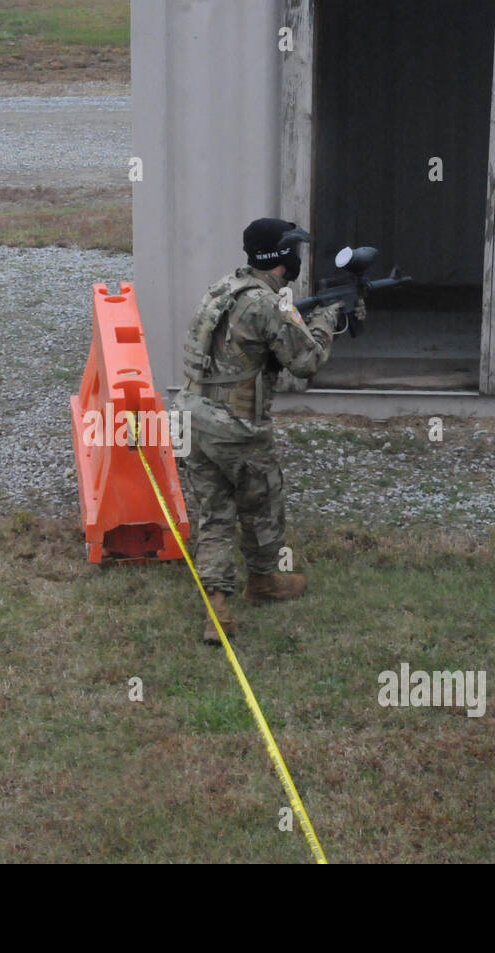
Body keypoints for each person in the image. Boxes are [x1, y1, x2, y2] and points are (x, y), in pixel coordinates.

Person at [174, 218, 343, 645]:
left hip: (191, 417)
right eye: (294, 253)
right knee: (263, 503)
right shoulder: (270, 306)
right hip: (236, 426)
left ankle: (217, 609)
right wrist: (326, 322)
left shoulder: (223, 289)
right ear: (283, 258)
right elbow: (305, 363)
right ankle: (263, 580)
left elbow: (241, 343)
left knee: (215, 511)